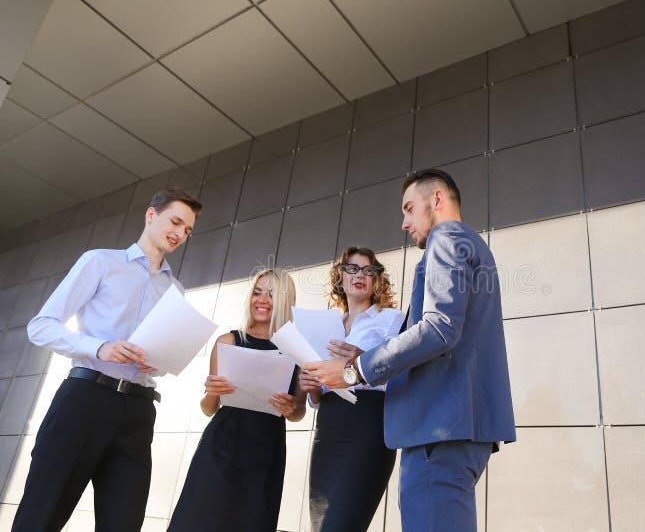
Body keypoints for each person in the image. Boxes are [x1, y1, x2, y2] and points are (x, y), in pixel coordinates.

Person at [305, 169, 516, 532]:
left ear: (436, 199)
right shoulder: (474, 246)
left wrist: (354, 370)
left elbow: (439, 327)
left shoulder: (446, 237)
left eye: (408, 208)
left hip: (438, 430)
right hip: (459, 431)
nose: (404, 223)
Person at [13, 188, 202, 532]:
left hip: (139, 412)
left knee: (124, 522)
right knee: (42, 512)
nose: (180, 233)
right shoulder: (100, 261)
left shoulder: (175, 290)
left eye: (187, 230)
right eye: (175, 221)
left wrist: (156, 362)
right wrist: (99, 347)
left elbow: (163, 356)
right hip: (85, 401)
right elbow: (41, 327)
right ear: (150, 215)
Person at [169, 268, 306, 532]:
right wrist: (212, 392)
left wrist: (291, 408)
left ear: (285, 301)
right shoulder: (228, 341)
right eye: (257, 292)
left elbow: (298, 411)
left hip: (267, 451)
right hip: (221, 447)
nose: (262, 300)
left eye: (271, 294)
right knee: (199, 519)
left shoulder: (296, 351)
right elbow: (208, 408)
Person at [299, 247, 403, 532]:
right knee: (320, 525)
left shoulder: (392, 319)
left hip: (368, 428)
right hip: (328, 430)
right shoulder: (325, 324)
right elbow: (320, 392)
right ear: (340, 278)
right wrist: (312, 388)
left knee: (344, 524)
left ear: (377, 280)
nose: (360, 276)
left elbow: (402, 375)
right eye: (352, 269)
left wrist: (363, 361)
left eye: (369, 271)